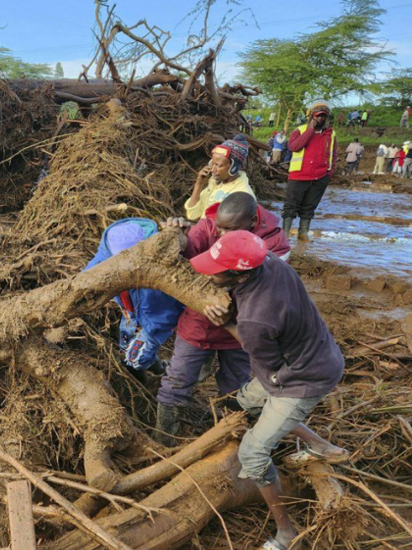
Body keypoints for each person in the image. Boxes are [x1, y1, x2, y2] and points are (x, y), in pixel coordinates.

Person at [190, 230, 349, 550]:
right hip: (319, 352)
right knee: (246, 401)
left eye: (216, 271)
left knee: (252, 453)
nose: (209, 273)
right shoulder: (271, 261)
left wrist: (227, 324)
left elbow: (267, 361)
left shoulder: (255, 321)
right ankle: (323, 447)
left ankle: (286, 535)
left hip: (302, 379)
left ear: (239, 274)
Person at [155, 193, 290, 445]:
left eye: (231, 229)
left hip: (241, 330)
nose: (223, 234)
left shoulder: (273, 241)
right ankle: (163, 441)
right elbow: (189, 249)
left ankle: (229, 439)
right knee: (177, 381)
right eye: (220, 228)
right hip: (199, 321)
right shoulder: (209, 225)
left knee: (236, 387)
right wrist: (177, 237)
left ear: (252, 222)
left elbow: (270, 289)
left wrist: (231, 309)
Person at [84, 219, 184, 379]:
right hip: (130, 313)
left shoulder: (159, 265)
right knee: (125, 350)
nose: (121, 265)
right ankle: (155, 369)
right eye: (117, 259)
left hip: (155, 318)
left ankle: (162, 372)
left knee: (136, 358)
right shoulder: (109, 248)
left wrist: (152, 332)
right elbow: (88, 274)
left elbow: (169, 308)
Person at [284, 99, 337, 241]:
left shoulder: (331, 134)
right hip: (299, 175)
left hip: (320, 177)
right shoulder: (300, 130)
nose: (321, 119)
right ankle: (284, 235)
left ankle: (303, 234)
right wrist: (310, 130)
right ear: (312, 116)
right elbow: (294, 147)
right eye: (318, 116)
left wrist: (329, 173)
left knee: (309, 207)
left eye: (323, 116)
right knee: (290, 207)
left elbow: (334, 154)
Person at [184, 135, 255, 221]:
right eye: (212, 164)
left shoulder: (243, 194)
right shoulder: (214, 184)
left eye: (218, 165)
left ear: (234, 167)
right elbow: (192, 215)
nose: (212, 170)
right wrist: (199, 184)